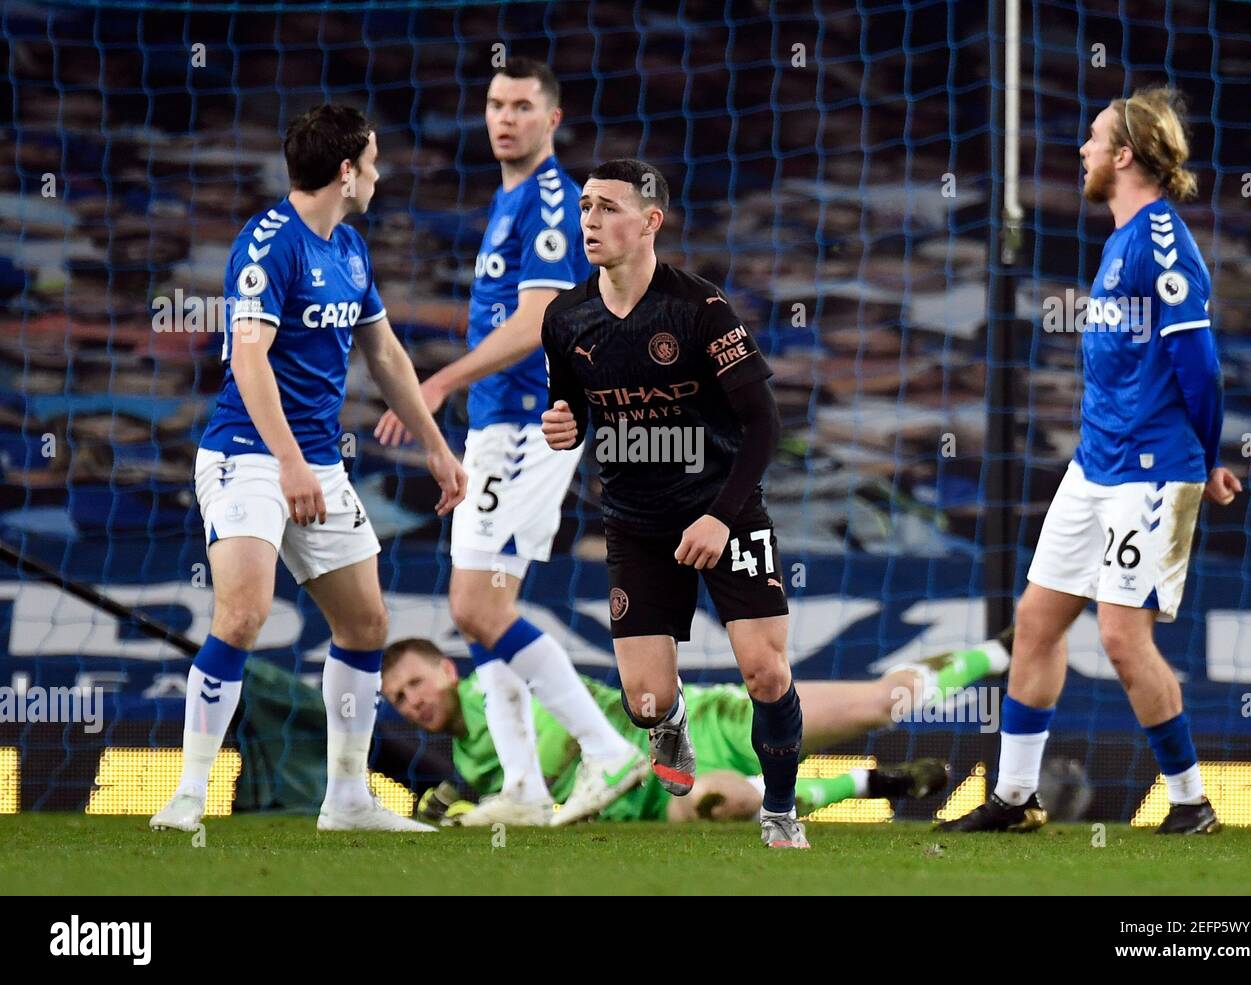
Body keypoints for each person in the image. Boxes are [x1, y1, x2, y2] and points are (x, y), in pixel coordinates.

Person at [150, 105, 467, 834]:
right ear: (348, 170)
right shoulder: (269, 244)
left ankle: (347, 797)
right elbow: (249, 357)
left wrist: (435, 444)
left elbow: (385, 354)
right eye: (375, 159)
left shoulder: (350, 246)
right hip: (246, 457)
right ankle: (189, 793)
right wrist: (288, 462)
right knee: (244, 614)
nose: (382, 173)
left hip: (317, 463)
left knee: (365, 623)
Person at [940, 87, 1241, 835]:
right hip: (1094, 465)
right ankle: (1014, 798)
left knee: (1119, 636)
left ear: (1125, 154)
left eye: (1094, 138)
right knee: (1037, 622)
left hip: (1152, 469)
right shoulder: (1120, 237)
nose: (1081, 150)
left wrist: (1205, 458)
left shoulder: (1164, 241)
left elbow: (1199, 364)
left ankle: (1191, 801)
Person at [374, 59, 645, 828]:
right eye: (495, 103)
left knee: (474, 604)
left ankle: (607, 750)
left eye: (523, 106)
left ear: (551, 119)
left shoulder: (555, 201)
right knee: (487, 608)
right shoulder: (508, 199)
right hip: (495, 427)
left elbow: (541, 320)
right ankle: (524, 783)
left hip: (532, 421)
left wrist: (440, 381)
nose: (505, 118)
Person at [541, 158, 803, 847]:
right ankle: (670, 722)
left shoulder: (700, 309)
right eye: (586, 206)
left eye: (608, 209)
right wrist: (560, 424)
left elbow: (764, 424)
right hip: (635, 522)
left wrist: (720, 516)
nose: (590, 220)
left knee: (766, 672)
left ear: (650, 222)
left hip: (725, 509)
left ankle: (780, 810)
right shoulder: (565, 318)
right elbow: (567, 408)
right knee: (646, 699)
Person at [380, 635, 1014, 824]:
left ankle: (999, 652)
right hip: (659, 804)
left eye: (413, 684)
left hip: (708, 730)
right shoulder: (468, 754)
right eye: (396, 699)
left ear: (446, 668)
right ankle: (867, 783)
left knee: (880, 705)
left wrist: (494, 805)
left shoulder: (500, 688)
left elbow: (555, 745)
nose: (410, 703)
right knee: (723, 803)